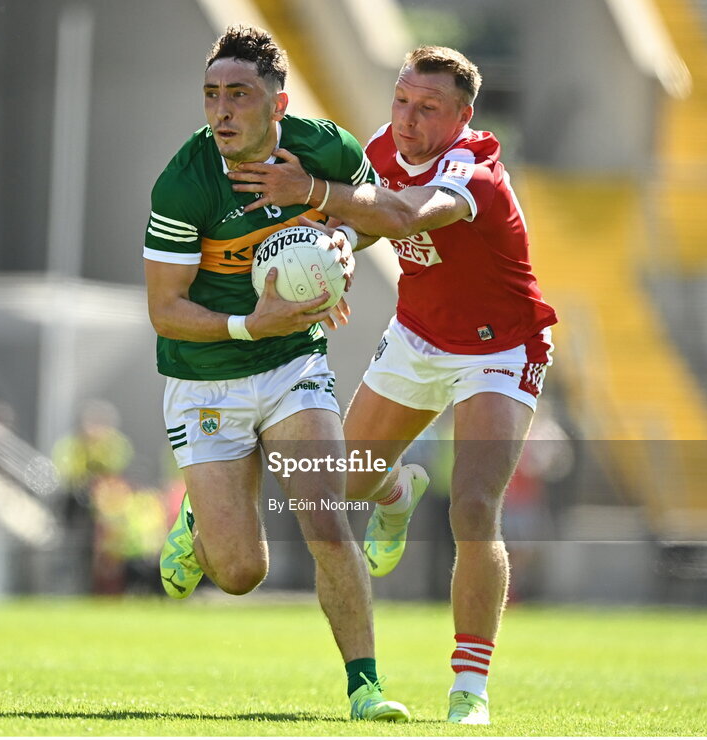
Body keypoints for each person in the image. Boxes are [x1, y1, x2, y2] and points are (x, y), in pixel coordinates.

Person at [228, 45, 558, 725]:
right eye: (401, 100)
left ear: (462, 116)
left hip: (500, 348)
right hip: (417, 337)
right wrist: (338, 250)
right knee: (344, 483)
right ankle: (396, 492)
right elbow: (370, 221)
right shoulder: (382, 148)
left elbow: (407, 216)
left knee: (473, 508)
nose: (407, 119)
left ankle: (469, 689)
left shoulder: (474, 172)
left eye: (427, 108)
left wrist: (314, 193)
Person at [143, 26, 409, 722]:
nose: (222, 110)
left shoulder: (325, 148)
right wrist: (247, 324)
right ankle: (199, 519)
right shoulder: (185, 183)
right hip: (206, 376)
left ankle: (365, 688)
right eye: (211, 95)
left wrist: (342, 238)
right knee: (240, 573)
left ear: (278, 103)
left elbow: (376, 211)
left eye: (239, 94)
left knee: (325, 519)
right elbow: (166, 311)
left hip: (293, 362)